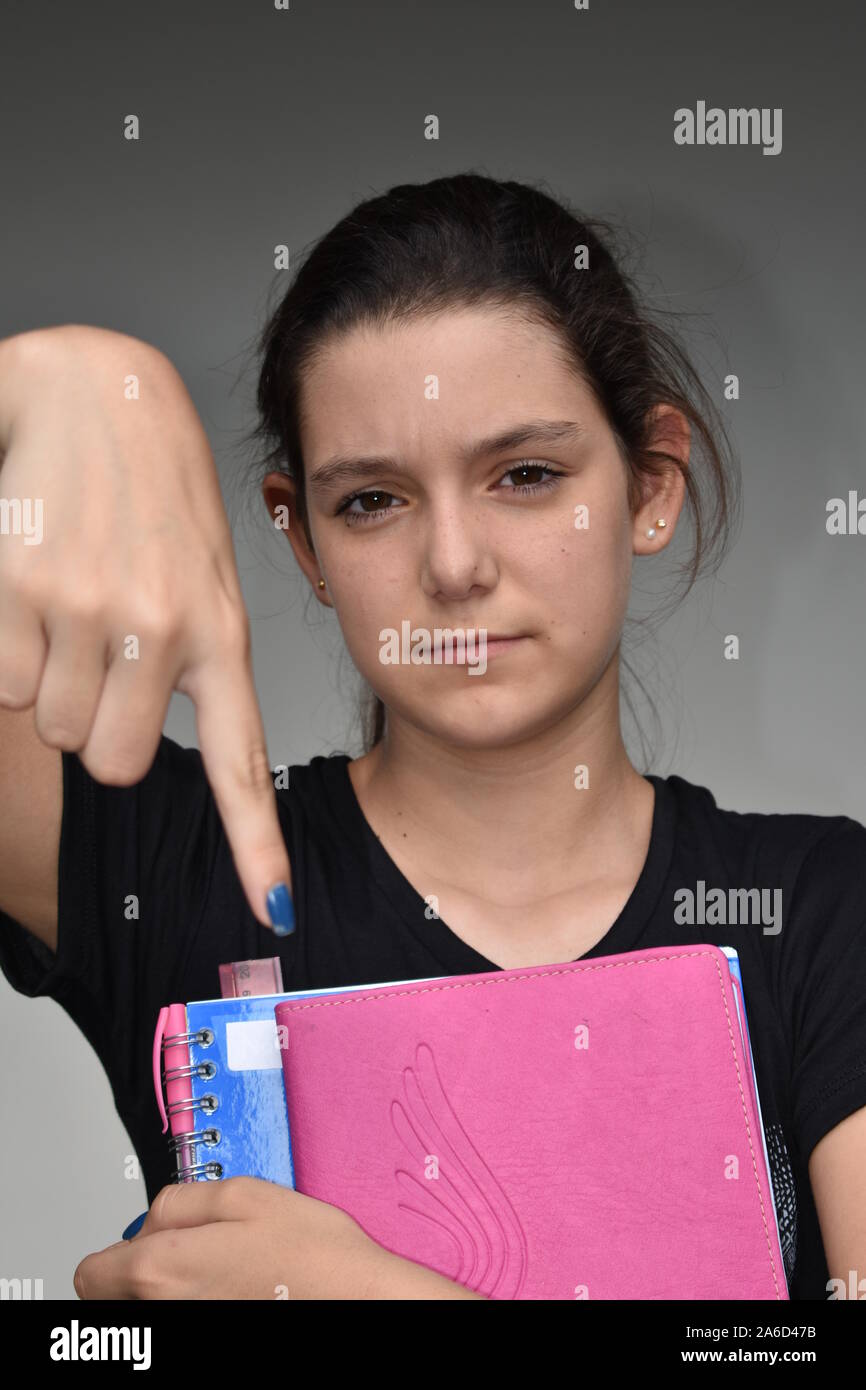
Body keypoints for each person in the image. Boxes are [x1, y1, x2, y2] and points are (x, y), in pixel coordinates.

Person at [0, 173, 863, 1301]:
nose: (453, 565)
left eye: (526, 475)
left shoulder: (821, 907)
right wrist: (47, 385)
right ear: (300, 537)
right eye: (371, 500)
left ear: (651, 482)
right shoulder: (163, 863)